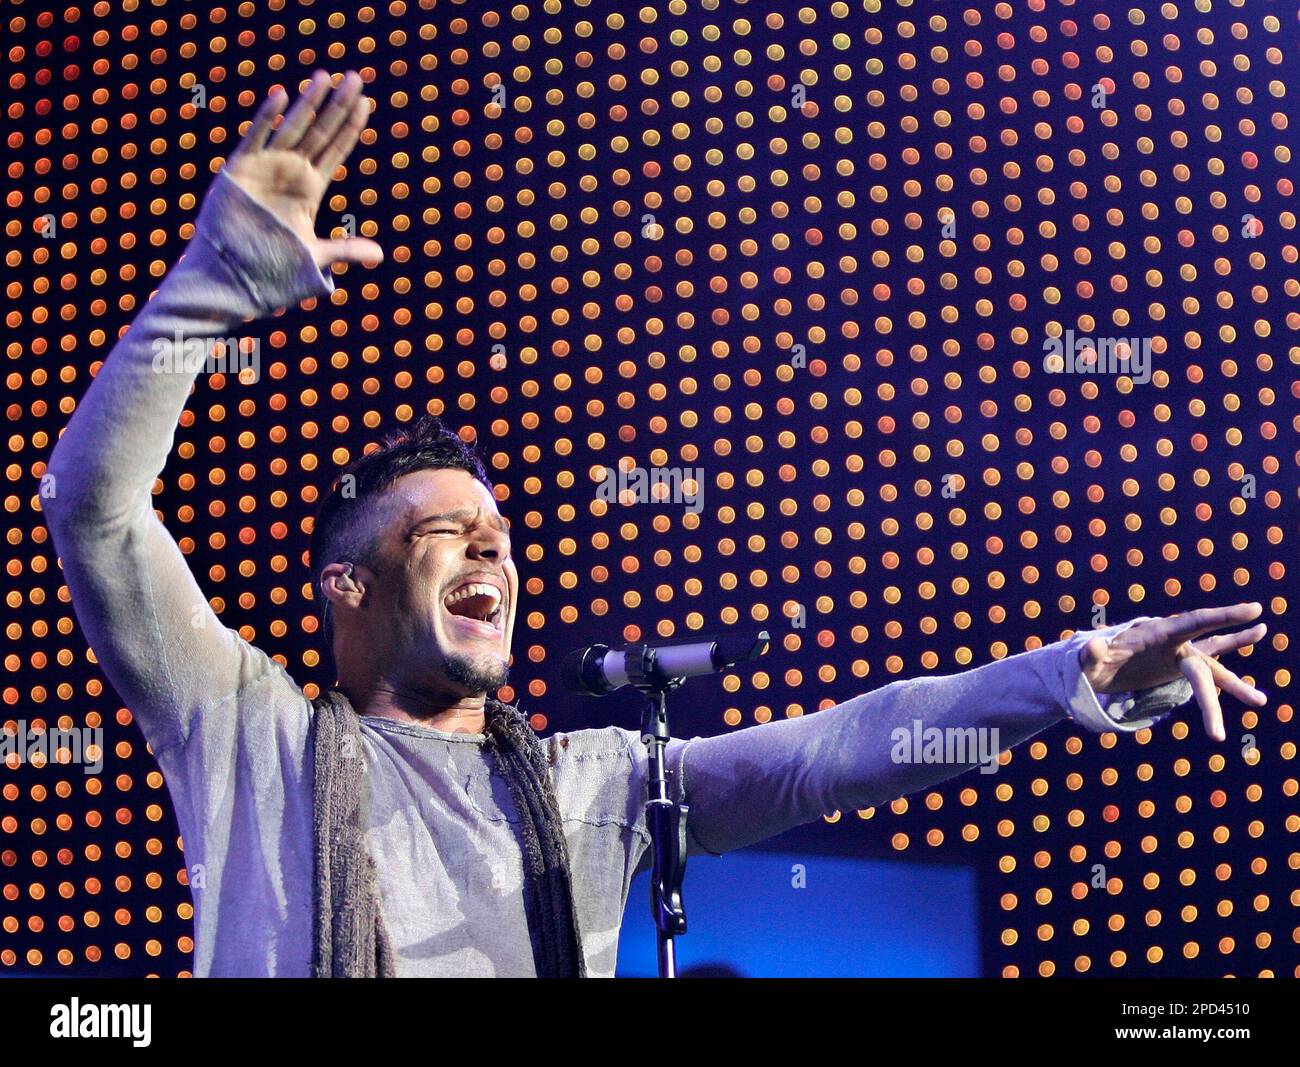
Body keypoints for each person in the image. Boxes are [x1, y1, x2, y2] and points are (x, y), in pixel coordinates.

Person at [40, 69, 1269, 977]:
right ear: (345, 589)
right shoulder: (247, 737)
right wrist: (212, 287)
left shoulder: (601, 785)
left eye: (501, 534)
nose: (491, 551)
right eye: (441, 533)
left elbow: (832, 750)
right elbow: (93, 511)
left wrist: (1069, 676)